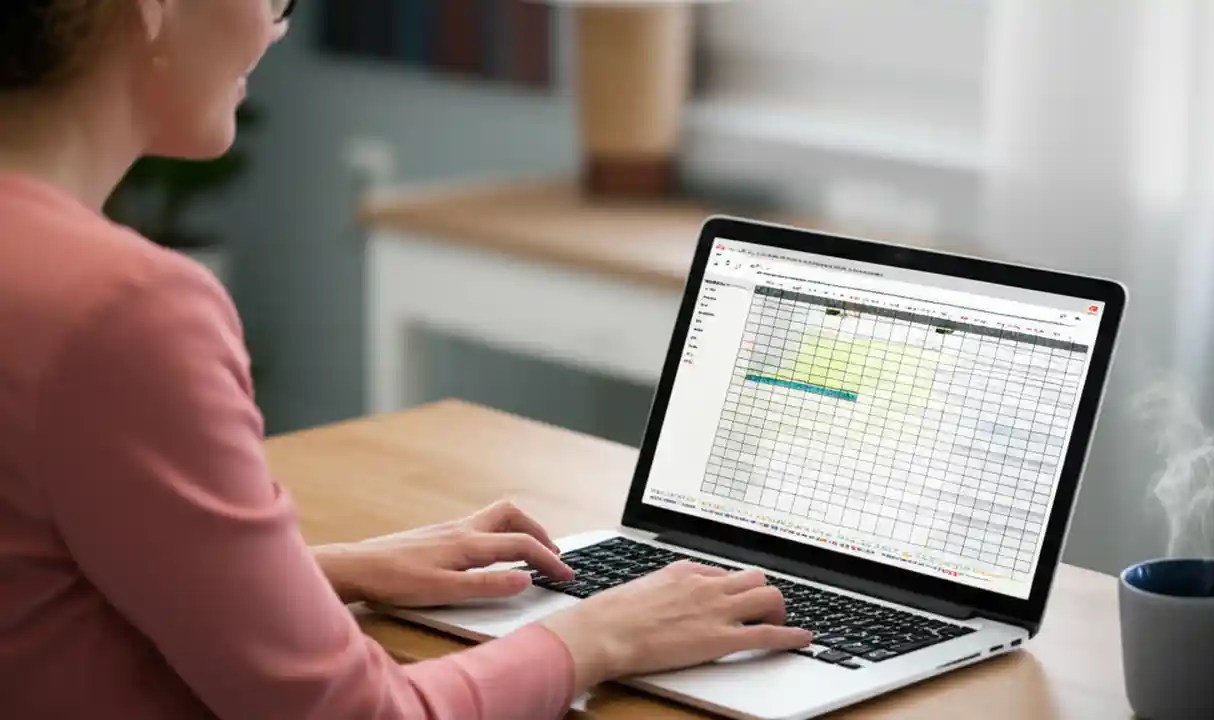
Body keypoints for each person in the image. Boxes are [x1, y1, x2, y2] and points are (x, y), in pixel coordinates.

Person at [0, 1, 812, 718]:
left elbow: (41, 575)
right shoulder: (122, 311)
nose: (276, 27)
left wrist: (326, 571)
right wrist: (599, 634)